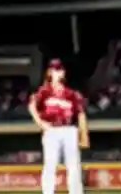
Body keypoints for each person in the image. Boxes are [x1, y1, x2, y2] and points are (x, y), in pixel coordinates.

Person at [29, 59, 89, 194]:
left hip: (69, 129)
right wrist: (40, 122)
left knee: (73, 166)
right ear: (49, 72)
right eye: (55, 70)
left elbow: (80, 114)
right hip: (51, 130)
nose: (58, 73)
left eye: (60, 70)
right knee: (50, 165)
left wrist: (84, 135)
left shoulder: (71, 94)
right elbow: (31, 105)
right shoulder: (44, 92)